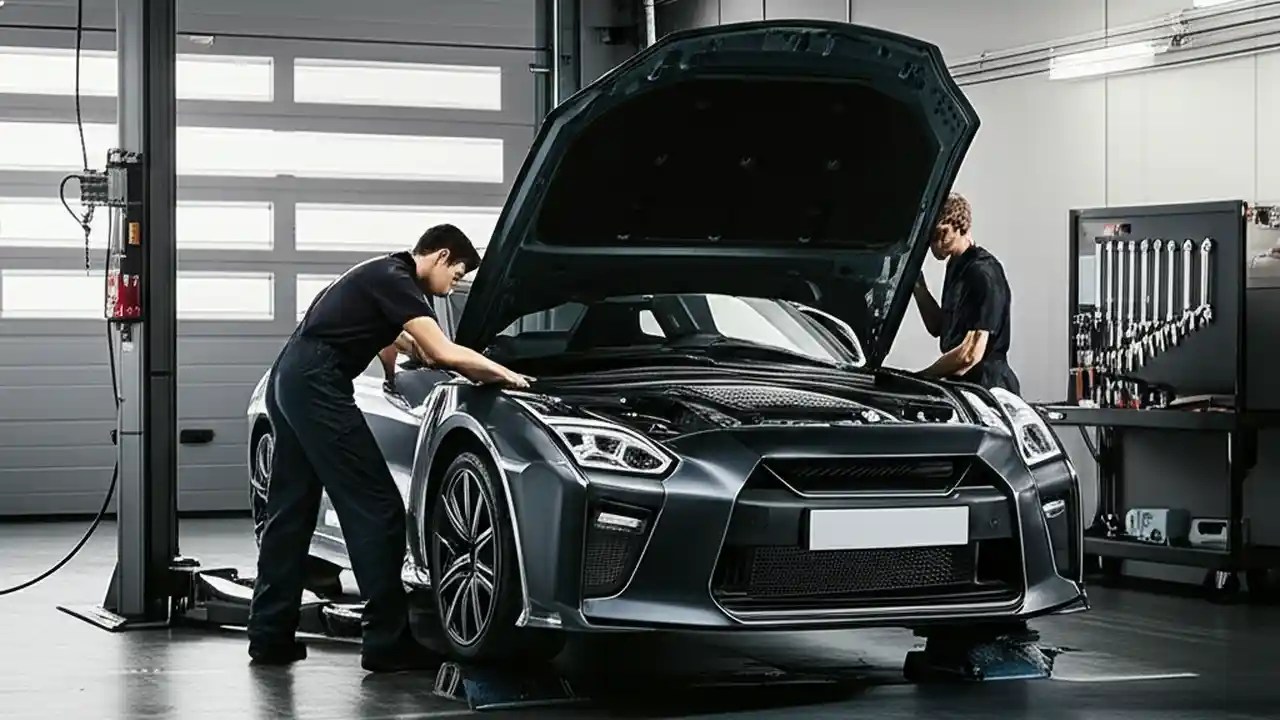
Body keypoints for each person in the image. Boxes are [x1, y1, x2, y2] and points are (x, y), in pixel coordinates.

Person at [247, 224, 531, 672]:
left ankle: (268, 636)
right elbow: (441, 352)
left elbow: (391, 337)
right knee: (377, 508)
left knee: (290, 511)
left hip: (290, 376)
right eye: (455, 275)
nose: (451, 286)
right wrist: (507, 376)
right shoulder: (399, 280)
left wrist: (393, 372)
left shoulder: (380, 273)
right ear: (438, 256)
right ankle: (386, 642)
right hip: (317, 383)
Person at [912, 193, 1021, 394]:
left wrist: (921, 377)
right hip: (964, 385)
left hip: (989, 388)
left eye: (940, 234)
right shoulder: (955, 266)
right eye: (930, 236)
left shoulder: (983, 271)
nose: (934, 243)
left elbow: (970, 355)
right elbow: (938, 327)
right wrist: (918, 287)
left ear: (960, 227)